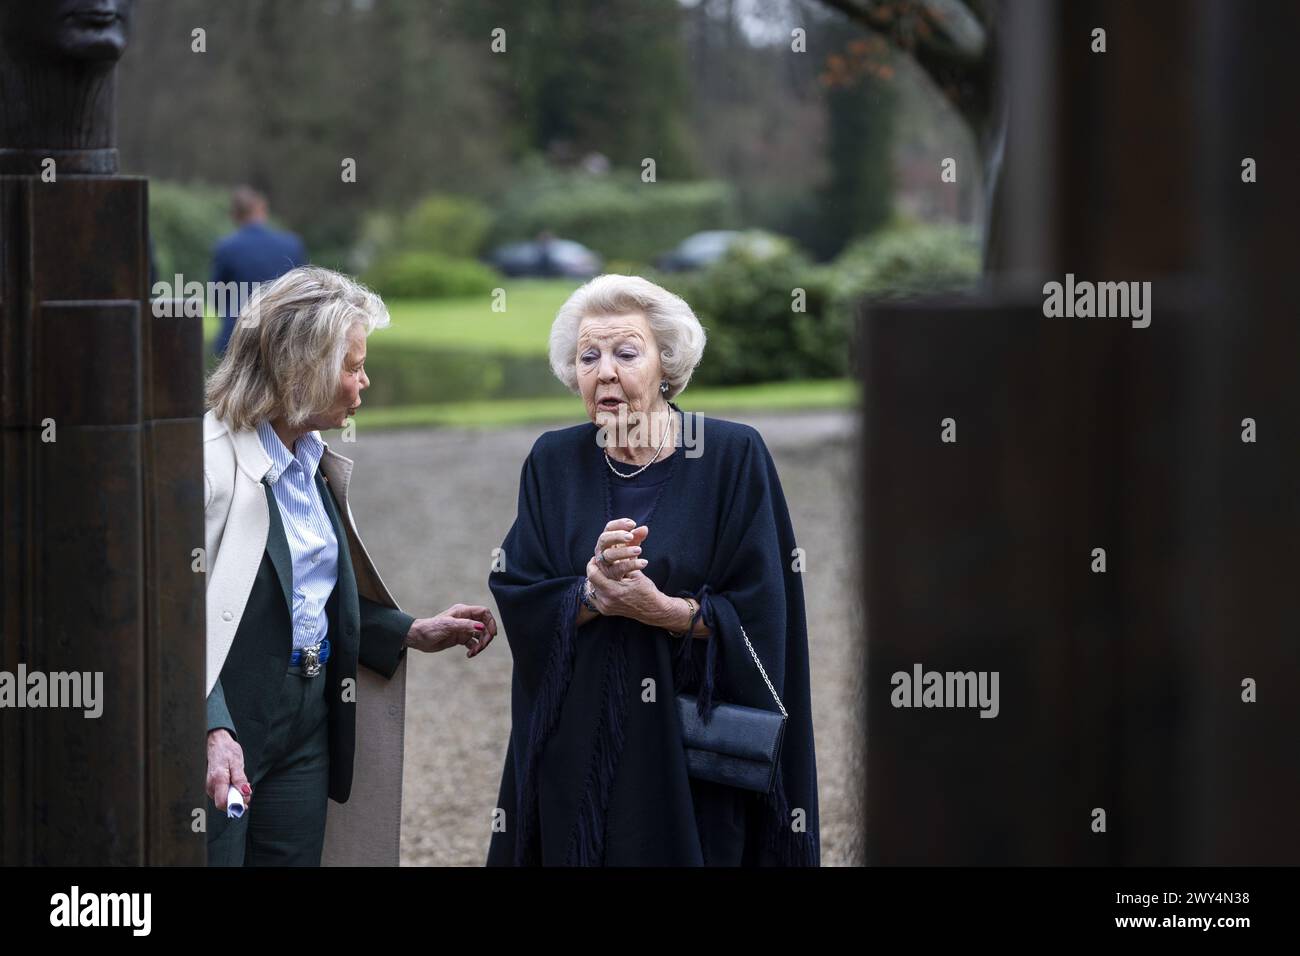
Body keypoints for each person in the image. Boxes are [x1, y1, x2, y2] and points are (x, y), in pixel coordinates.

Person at [486, 274, 820, 866]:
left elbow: (766, 605)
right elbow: (519, 588)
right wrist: (590, 591)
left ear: (667, 364)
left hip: (694, 741)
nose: (604, 372)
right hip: (581, 740)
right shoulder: (552, 461)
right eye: (588, 356)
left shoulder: (731, 456)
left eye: (625, 352)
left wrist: (663, 611)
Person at [203, 265, 497, 866]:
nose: (365, 380)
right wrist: (209, 727)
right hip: (227, 726)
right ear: (299, 366)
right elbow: (165, 620)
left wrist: (409, 631)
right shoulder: (204, 467)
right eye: (352, 364)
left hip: (308, 716)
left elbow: (306, 597)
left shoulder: (311, 459)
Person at [210, 186, 307, 357]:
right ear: (262, 209)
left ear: (234, 215)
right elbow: (303, 293)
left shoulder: (227, 248)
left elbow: (217, 296)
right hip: (281, 337)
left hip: (238, 337)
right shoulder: (292, 245)